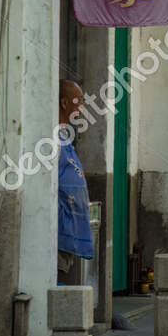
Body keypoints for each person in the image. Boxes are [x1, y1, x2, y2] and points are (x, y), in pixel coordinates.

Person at [56, 80, 96, 285]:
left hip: (71, 222)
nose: (82, 106)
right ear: (64, 103)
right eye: (78, 100)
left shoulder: (63, 134)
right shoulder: (52, 136)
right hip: (60, 223)